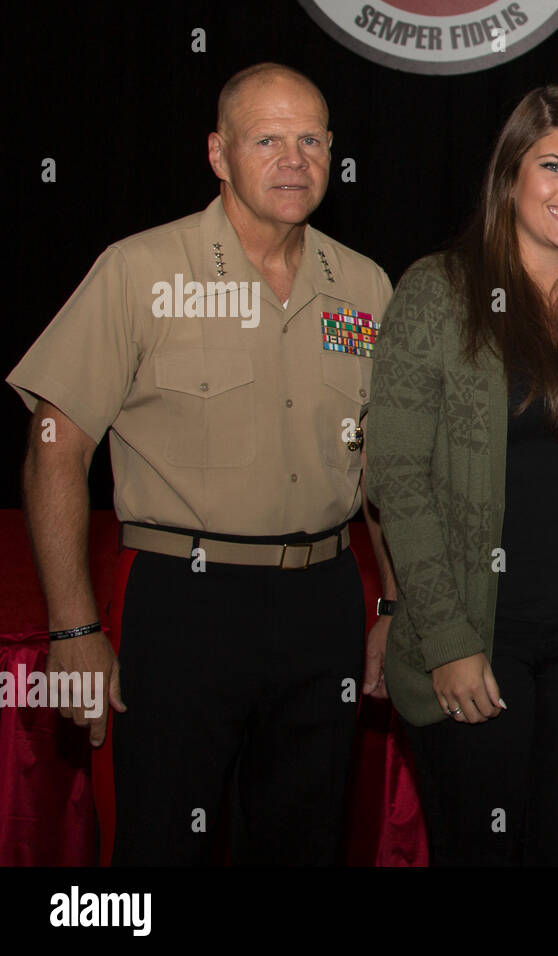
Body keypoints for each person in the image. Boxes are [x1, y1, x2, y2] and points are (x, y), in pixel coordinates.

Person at [8, 63, 397, 865]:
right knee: (159, 846)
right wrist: (74, 628)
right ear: (219, 154)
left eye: (312, 139)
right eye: (268, 140)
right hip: (184, 606)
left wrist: (392, 606)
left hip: (324, 602)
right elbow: (57, 449)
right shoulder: (141, 271)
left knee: (305, 842)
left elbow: (381, 470)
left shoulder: (361, 285)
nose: (295, 159)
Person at [366, 84, 558, 866]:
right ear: (511, 174)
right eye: (553, 165)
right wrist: (445, 640)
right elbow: (396, 477)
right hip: (478, 635)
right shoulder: (437, 292)